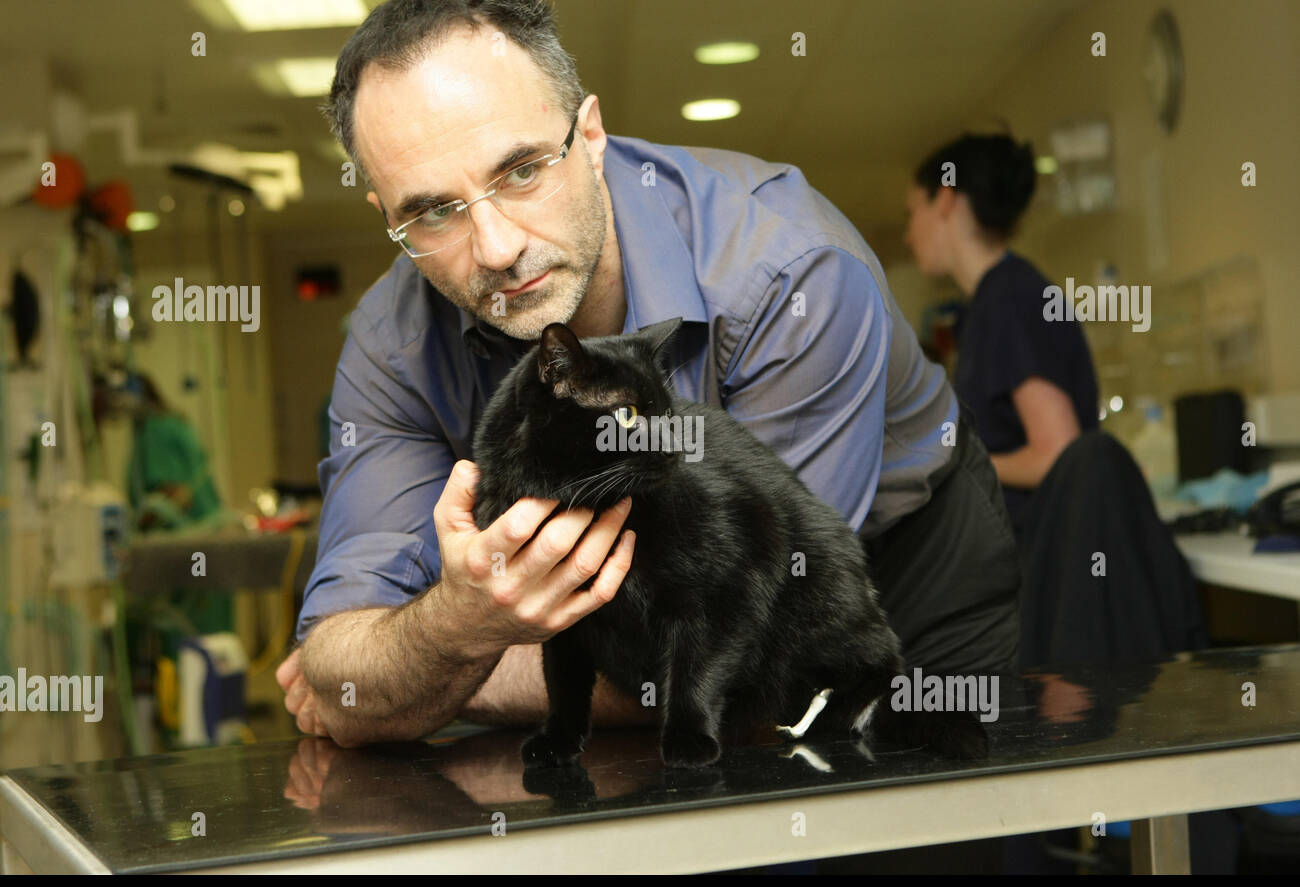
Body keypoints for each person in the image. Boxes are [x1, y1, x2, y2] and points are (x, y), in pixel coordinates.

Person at [278, 0, 1021, 746]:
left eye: (524, 169)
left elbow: (756, 654)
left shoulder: (793, 274)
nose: (498, 248)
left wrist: (446, 662)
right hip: (627, 624)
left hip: (896, 586)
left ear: (591, 136)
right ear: (388, 217)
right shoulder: (393, 339)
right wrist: (452, 625)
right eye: (434, 212)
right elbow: (345, 674)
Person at [904, 133, 1100, 536]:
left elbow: (1058, 453)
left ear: (944, 198)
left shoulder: (1011, 299)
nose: (909, 234)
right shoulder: (994, 301)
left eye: (912, 212)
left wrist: (948, 462)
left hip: (1042, 551)